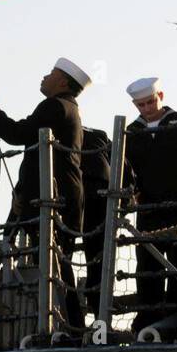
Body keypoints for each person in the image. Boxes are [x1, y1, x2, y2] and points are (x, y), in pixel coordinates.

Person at [0, 57, 89, 333]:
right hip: (53, 198)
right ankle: (58, 325)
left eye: (51, 73)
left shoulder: (54, 106)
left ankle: (66, 327)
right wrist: (21, 193)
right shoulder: (68, 108)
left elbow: (18, 134)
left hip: (53, 202)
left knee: (55, 266)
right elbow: (35, 155)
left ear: (63, 81)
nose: (44, 77)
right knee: (53, 264)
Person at [122, 77, 177, 336]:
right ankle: (148, 320)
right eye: (141, 105)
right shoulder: (133, 132)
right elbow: (126, 169)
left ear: (160, 95)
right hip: (148, 209)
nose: (147, 108)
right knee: (147, 266)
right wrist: (132, 194)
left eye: (150, 102)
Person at [79, 126, 111, 323]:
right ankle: (100, 314)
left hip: (85, 202)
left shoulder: (50, 136)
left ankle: (78, 319)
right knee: (98, 260)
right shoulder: (98, 136)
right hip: (100, 202)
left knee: (95, 259)